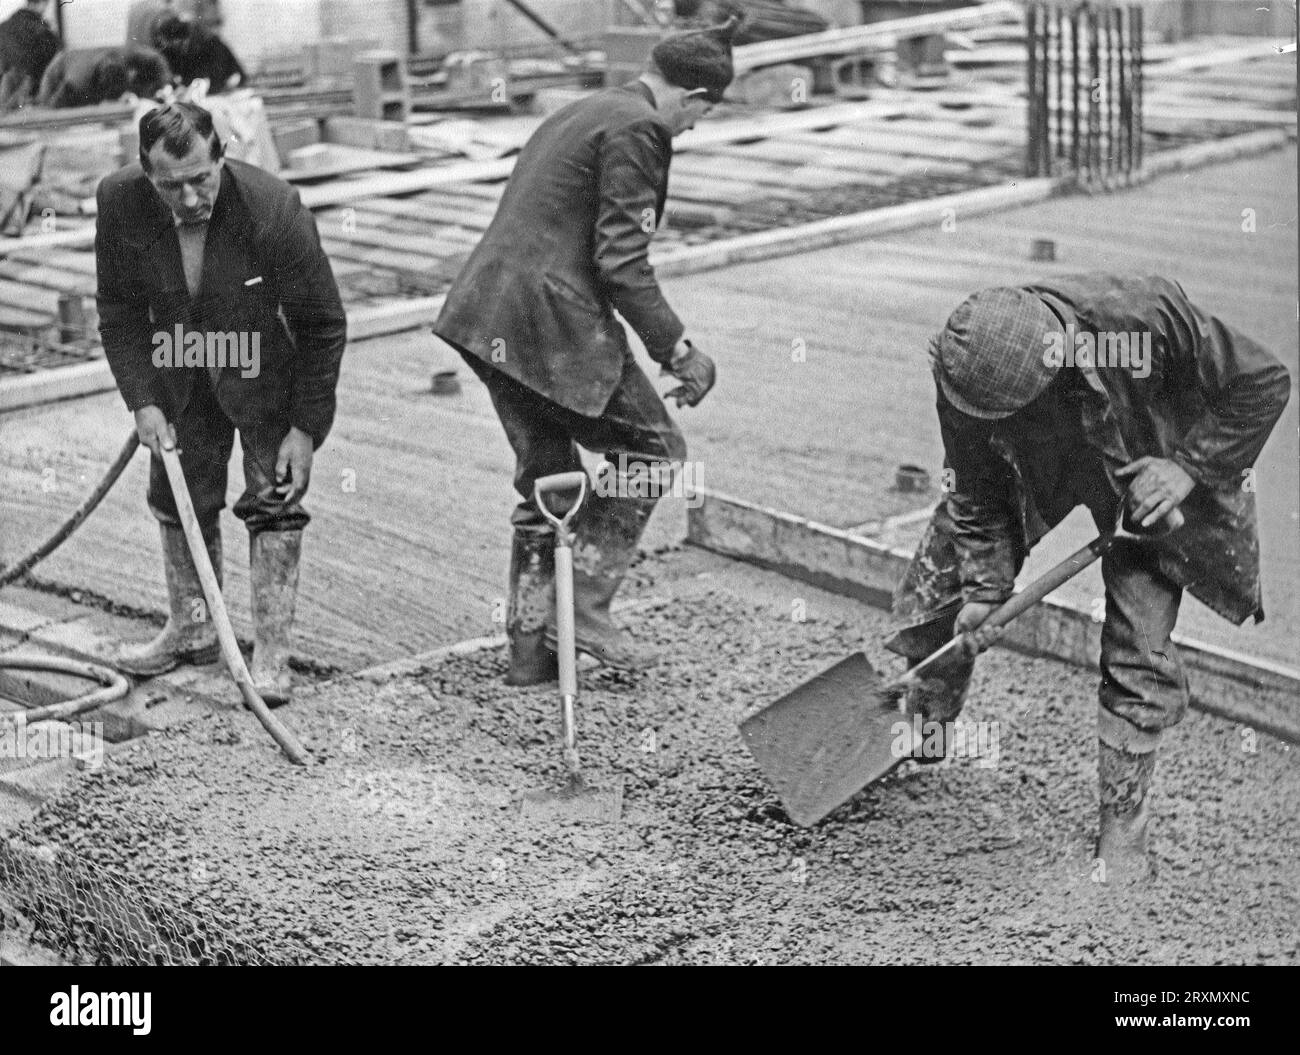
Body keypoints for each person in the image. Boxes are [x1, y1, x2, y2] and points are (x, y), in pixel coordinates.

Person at [885, 274, 1290, 884]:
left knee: (1138, 641)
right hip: (1045, 460)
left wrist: (1186, 469)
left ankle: (1123, 822)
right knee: (942, 579)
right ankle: (923, 731)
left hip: (1148, 460)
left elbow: (1263, 381)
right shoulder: (967, 370)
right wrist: (985, 591)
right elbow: (973, 485)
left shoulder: (1143, 318)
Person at [433, 19, 740, 684]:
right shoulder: (641, 129)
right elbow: (621, 260)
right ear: (694, 98)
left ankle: (530, 652)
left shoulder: (588, 108)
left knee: (548, 480)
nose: (690, 131)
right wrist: (677, 347)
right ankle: (587, 604)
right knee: (656, 451)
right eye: (699, 118)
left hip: (487, 314)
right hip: (548, 322)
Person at [95, 102, 347, 704]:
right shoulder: (120, 201)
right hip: (179, 366)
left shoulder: (273, 210)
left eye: (200, 180)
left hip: (264, 372)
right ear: (144, 172)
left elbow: (323, 324)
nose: (186, 199)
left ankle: (272, 655)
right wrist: (143, 403)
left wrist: (305, 429)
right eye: (170, 186)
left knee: (274, 501)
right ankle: (193, 629)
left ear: (222, 158)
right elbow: (119, 314)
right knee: (180, 498)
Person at [36, 45, 170, 108]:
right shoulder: (78, 82)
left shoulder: (123, 55)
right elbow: (53, 107)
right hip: (53, 81)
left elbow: (157, 58)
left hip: (74, 65)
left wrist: (165, 85)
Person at [151, 12, 244, 92]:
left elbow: (212, 75)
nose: (175, 47)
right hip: (202, 90)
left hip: (225, 86)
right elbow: (170, 74)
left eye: (179, 44)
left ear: (185, 39)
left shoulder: (211, 44)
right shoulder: (170, 49)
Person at [0, 0, 61, 111]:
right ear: (43, 3)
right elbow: (57, 67)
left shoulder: (2, 28)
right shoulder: (43, 32)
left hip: (4, 100)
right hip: (31, 101)